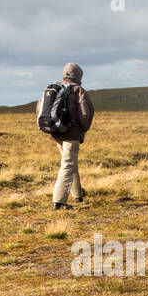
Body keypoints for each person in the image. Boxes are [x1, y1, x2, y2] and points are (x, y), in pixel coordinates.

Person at [37, 63, 94, 210]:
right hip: (71, 134)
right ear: (78, 76)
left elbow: (39, 109)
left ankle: (78, 194)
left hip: (56, 132)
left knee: (69, 162)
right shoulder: (78, 90)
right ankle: (59, 201)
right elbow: (86, 114)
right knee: (68, 164)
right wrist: (82, 129)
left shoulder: (53, 88)